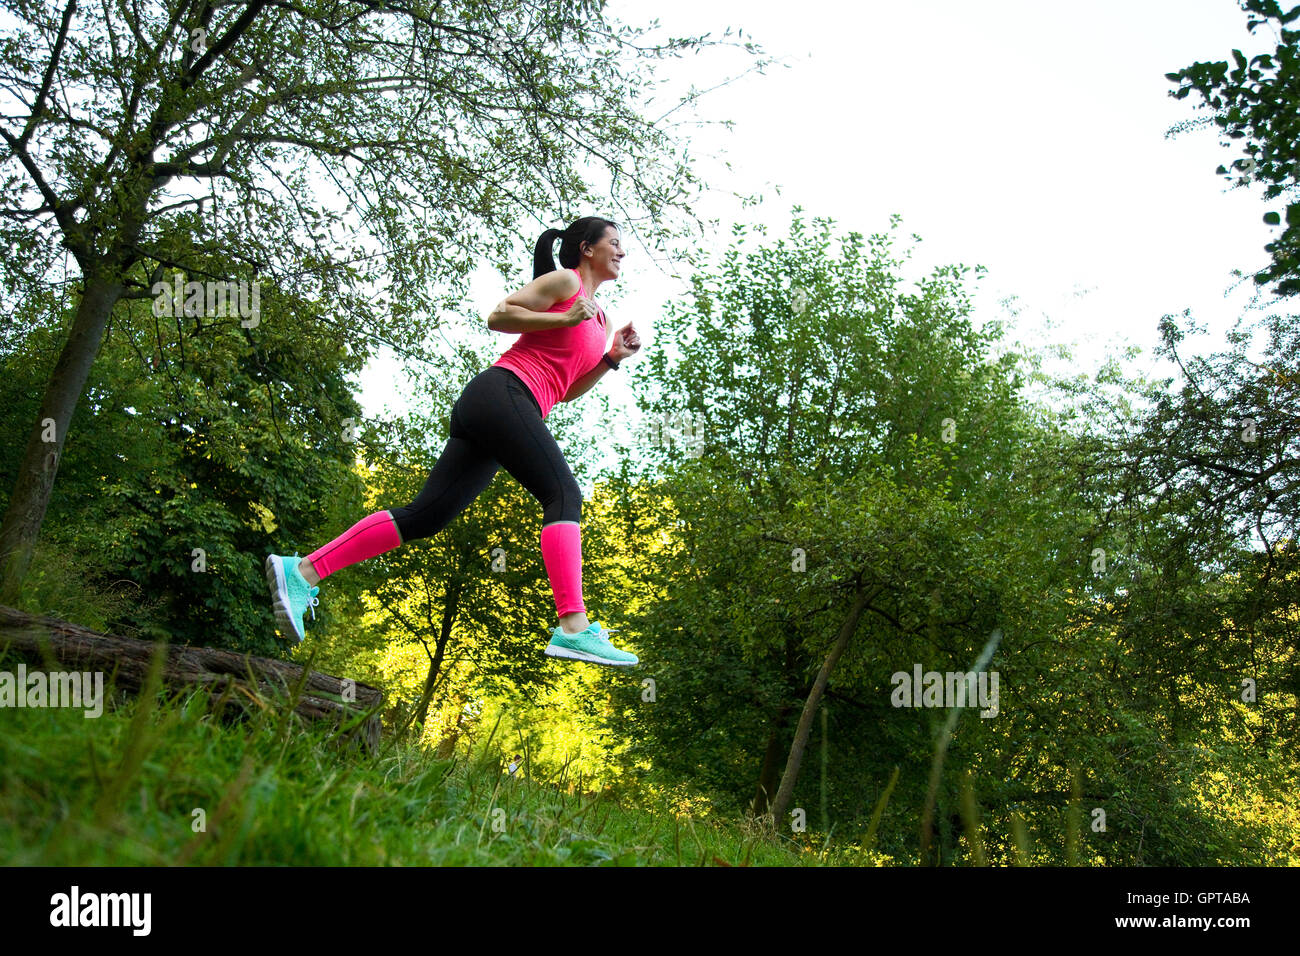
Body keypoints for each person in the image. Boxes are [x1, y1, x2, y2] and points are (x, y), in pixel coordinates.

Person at [264, 216, 641, 666]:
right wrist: (557, 315)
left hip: (509, 407)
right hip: (502, 392)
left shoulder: (601, 317)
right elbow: (498, 315)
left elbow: (566, 388)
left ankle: (302, 570)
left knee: (426, 516)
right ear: (586, 248)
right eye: (614, 243)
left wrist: (611, 360)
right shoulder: (564, 284)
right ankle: (573, 626)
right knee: (563, 493)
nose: (621, 252)